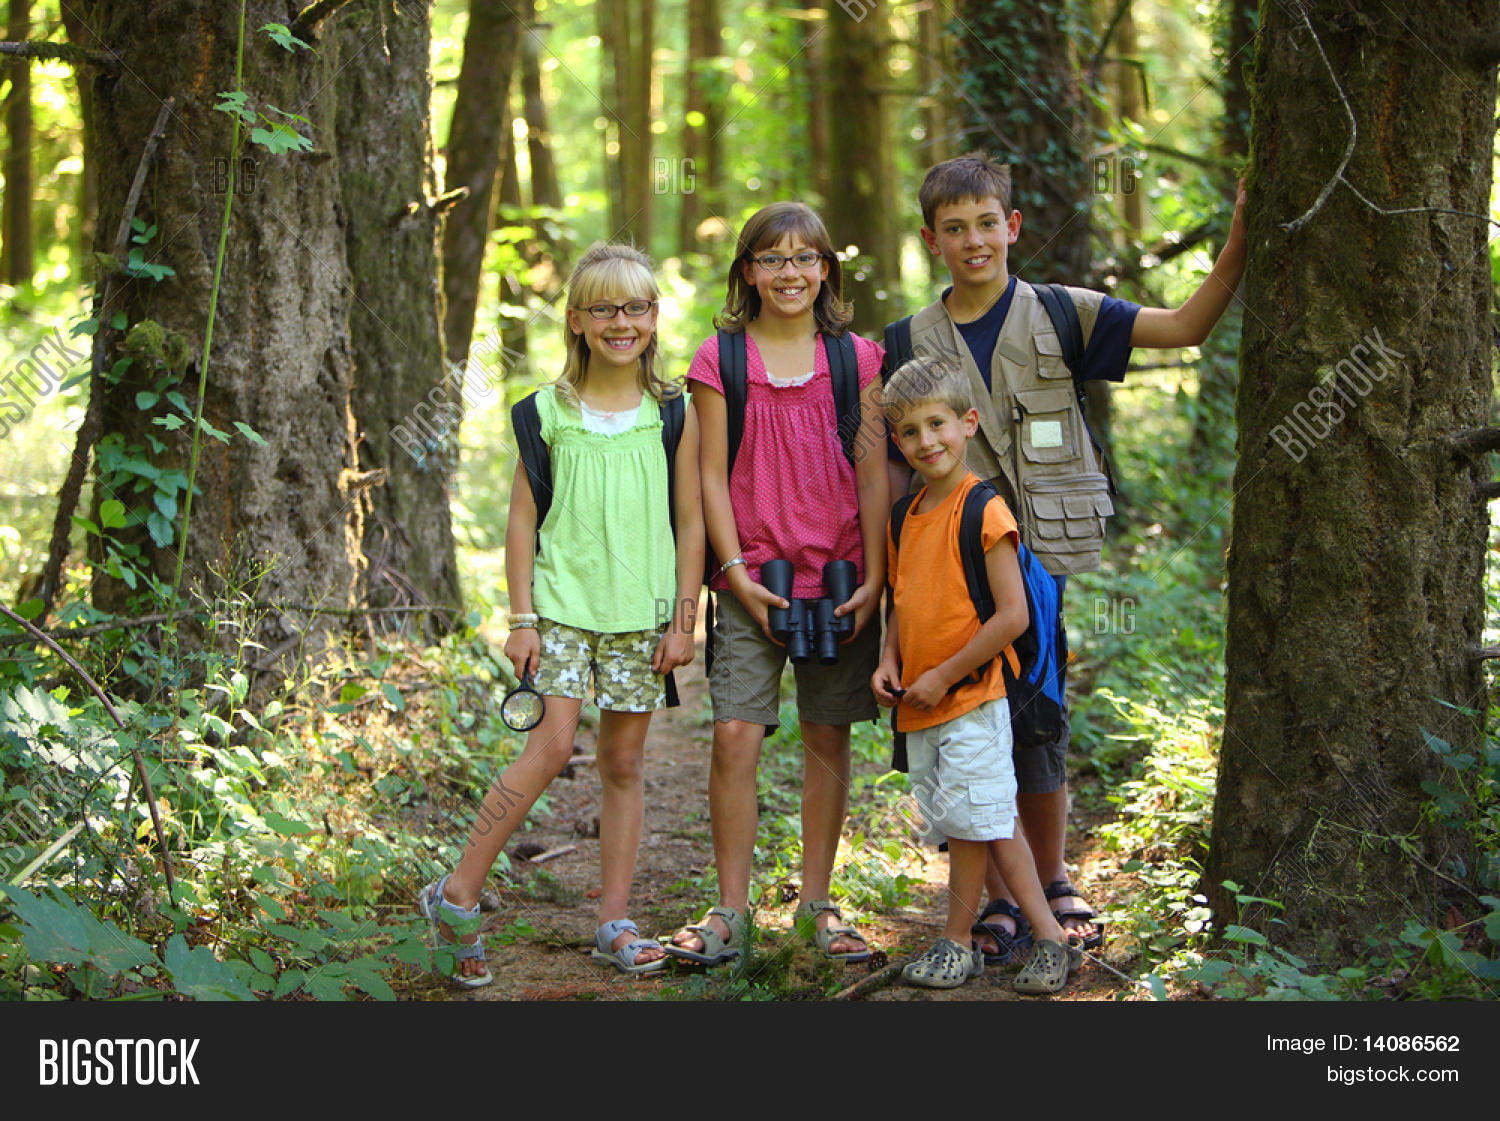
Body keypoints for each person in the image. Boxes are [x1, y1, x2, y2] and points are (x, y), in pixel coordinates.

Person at [885, 153, 1248, 958]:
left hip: (1034, 561)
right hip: (947, 570)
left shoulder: (1060, 312)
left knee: (1035, 718)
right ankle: (988, 901)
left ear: (1012, 227)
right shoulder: (905, 340)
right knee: (964, 721)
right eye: (954, 228)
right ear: (930, 239)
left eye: (987, 223)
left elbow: (1186, 325)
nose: (974, 240)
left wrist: (1241, 237)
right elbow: (880, 463)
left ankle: (1048, 878)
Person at [418, 243, 703, 984]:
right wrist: (522, 616)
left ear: (653, 316)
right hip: (564, 612)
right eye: (604, 307)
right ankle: (456, 894)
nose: (621, 321)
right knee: (548, 748)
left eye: (636, 307)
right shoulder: (547, 411)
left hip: (641, 618)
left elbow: (692, 521)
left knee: (625, 762)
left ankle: (614, 917)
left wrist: (683, 618)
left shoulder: (674, 412)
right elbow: (521, 522)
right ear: (576, 319)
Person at [665, 201, 888, 965]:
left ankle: (818, 905)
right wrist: (734, 574)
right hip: (751, 578)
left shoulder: (857, 361)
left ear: (826, 269)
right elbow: (710, 480)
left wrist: (878, 579)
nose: (788, 272)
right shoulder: (720, 360)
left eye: (803, 258)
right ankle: (731, 908)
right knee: (735, 734)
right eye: (771, 258)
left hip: (839, 577)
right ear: (748, 271)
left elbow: (870, 473)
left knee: (828, 736)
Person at [873, 354, 1081, 993]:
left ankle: (963, 941)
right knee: (981, 822)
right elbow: (902, 604)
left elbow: (1012, 616)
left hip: (975, 697)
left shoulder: (983, 509)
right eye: (908, 432)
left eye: (936, 424)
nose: (924, 442)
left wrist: (943, 674)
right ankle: (1042, 938)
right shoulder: (903, 517)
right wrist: (890, 660)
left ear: (967, 423)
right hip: (923, 703)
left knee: (974, 820)